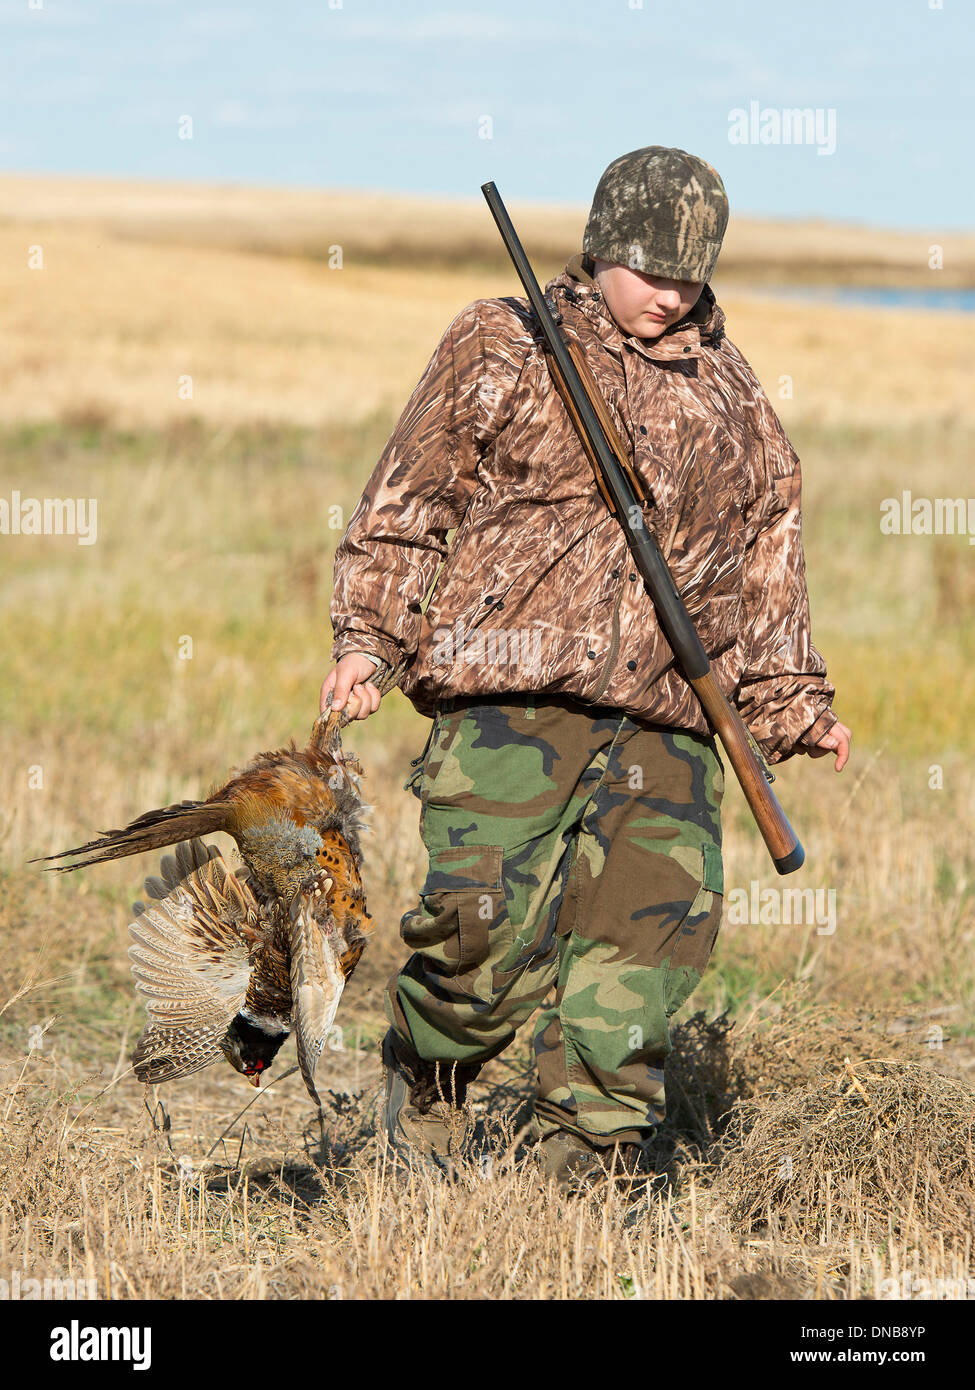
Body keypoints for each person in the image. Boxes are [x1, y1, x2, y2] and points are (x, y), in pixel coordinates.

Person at [322, 145, 852, 1189]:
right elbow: (408, 497)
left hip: (668, 716)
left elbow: (769, 560)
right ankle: (425, 1098)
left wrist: (794, 702)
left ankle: (584, 1173)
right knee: (478, 939)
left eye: (691, 273)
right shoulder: (503, 340)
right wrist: (366, 640)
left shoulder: (735, 395)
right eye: (652, 269)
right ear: (601, 246)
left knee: (645, 958)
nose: (671, 292)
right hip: (509, 700)